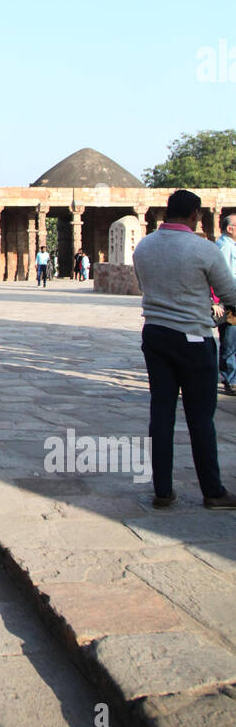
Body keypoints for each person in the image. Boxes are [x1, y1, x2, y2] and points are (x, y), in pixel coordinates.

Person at [132, 189, 236, 510]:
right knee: (200, 417)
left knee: (161, 413)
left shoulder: (144, 247)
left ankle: (163, 490)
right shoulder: (203, 249)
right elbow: (229, 293)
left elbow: (143, 284)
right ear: (194, 216)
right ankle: (212, 491)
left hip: (156, 334)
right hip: (193, 337)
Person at [216, 212, 236, 396]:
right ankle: (231, 379)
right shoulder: (224, 246)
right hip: (230, 303)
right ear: (230, 229)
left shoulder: (231, 245)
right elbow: (223, 276)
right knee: (230, 339)